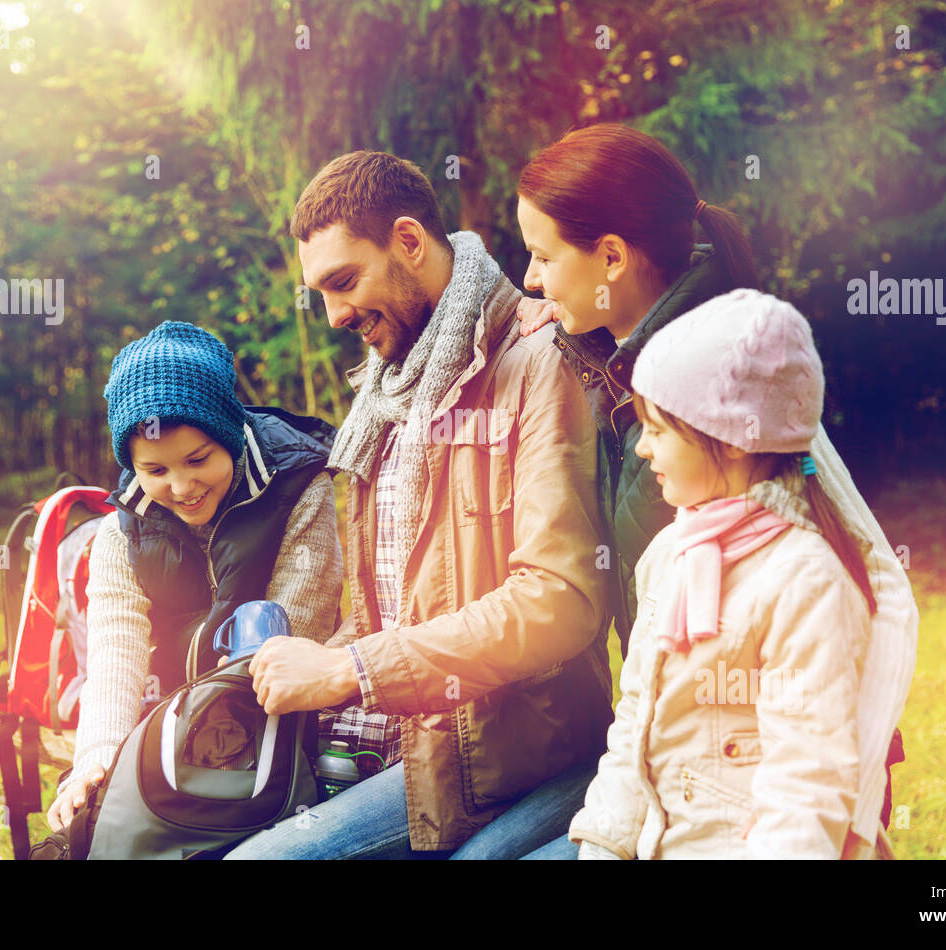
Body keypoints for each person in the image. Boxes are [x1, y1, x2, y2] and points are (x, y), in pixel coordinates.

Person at [510, 123, 911, 857]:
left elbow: (876, 577)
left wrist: (854, 818)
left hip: (772, 778)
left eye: (540, 257)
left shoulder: (728, 381)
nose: (530, 280)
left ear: (610, 257)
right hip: (674, 754)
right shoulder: (616, 369)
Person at [221, 150, 614, 859]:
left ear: (409, 240)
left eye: (344, 282)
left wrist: (352, 670)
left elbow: (558, 601)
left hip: (501, 753)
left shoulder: (535, 360)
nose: (335, 313)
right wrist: (317, 663)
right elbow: (390, 616)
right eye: (321, 294)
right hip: (392, 739)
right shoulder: (383, 397)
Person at [568, 288, 916, 859]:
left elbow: (807, 781)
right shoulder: (670, 555)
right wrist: (604, 845)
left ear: (731, 439)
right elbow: (633, 726)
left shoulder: (806, 581)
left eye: (658, 429)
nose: (644, 450)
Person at [45, 320, 343, 832]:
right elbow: (116, 650)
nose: (181, 487)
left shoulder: (299, 489)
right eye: (155, 470)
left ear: (227, 435)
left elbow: (297, 638)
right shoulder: (122, 531)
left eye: (198, 459)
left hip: (285, 728)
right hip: (172, 727)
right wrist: (97, 758)